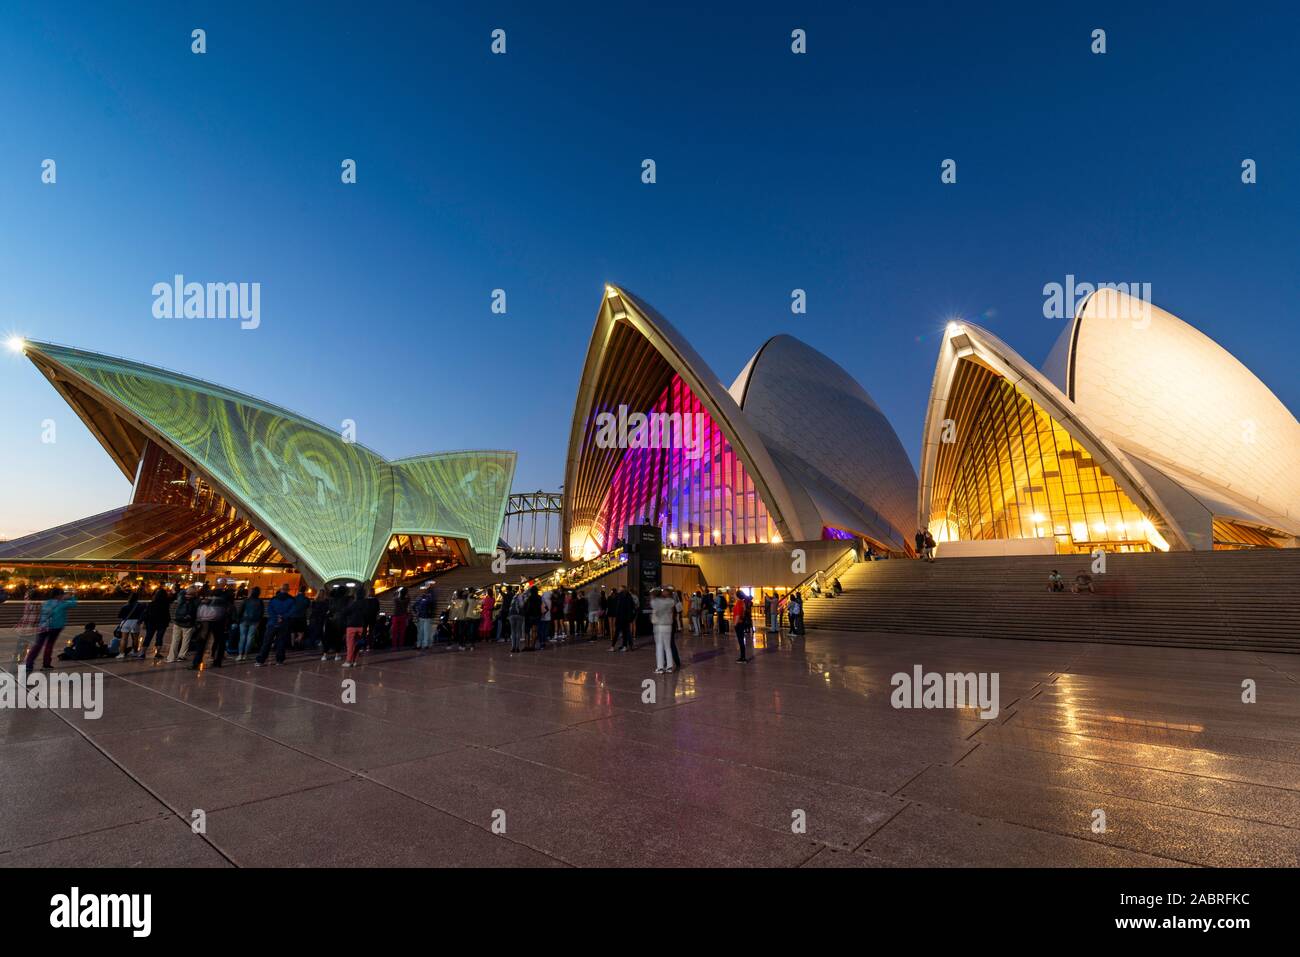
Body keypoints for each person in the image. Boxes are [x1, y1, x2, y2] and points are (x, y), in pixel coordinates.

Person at [25, 586, 77, 672]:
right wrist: (71, 596)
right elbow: (74, 604)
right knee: (49, 645)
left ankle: (29, 664)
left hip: (43, 626)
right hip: (55, 627)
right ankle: (46, 664)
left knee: (37, 645)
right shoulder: (62, 604)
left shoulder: (45, 603)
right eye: (62, 594)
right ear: (59, 595)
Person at [188, 584, 230, 669]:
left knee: (202, 643)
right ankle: (218, 661)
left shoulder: (206, 600)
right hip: (219, 623)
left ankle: (196, 662)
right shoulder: (224, 602)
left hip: (205, 623)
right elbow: (227, 613)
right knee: (220, 642)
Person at [257, 584, 295, 665]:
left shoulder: (274, 599)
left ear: (280, 589)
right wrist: (282, 617)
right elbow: (292, 612)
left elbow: (270, 610)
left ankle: (261, 660)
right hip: (284, 623)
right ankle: (279, 660)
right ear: (288, 590)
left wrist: (276, 617)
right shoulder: (291, 600)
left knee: (267, 641)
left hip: (272, 623)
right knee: (281, 642)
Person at [167, 584, 200, 662]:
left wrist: (186, 590)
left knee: (175, 640)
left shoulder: (181, 597)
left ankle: (171, 657)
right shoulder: (196, 600)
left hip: (178, 621)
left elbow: (180, 592)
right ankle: (181, 656)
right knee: (186, 641)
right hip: (188, 623)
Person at [138, 586, 172, 659]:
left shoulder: (151, 604)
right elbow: (167, 614)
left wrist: (141, 621)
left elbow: (146, 613)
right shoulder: (166, 605)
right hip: (162, 623)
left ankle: (143, 653)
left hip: (151, 623)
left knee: (148, 637)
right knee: (159, 638)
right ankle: (157, 654)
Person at [342, 583, 370, 667]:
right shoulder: (366, 603)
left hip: (351, 626)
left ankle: (348, 661)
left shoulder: (353, 603)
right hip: (361, 626)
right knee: (357, 645)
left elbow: (345, 612)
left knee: (350, 644)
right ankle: (354, 661)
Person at [649, 588, 676, 674]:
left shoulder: (656, 602)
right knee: (668, 647)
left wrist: (653, 595)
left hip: (659, 626)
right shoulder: (670, 602)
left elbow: (653, 603)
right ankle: (669, 667)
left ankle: (660, 668)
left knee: (659, 646)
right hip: (668, 625)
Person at [236, 586, 264, 661]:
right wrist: (259, 620)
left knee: (242, 637)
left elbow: (240, 610)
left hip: (244, 620)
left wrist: (238, 619)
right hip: (255, 621)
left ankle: (240, 655)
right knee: (250, 637)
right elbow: (262, 612)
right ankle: (245, 655)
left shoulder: (246, 600)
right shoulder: (260, 601)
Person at [116, 589, 145, 658]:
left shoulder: (125, 606)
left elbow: (119, 615)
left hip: (126, 622)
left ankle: (122, 653)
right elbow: (143, 614)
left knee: (124, 638)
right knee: (135, 638)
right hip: (136, 622)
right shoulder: (140, 605)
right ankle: (134, 652)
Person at [323, 584, 347, 661]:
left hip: (330, 620)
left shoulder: (331, 599)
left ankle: (324, 655)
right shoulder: (344, 600)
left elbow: (328, 609)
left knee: (327, 637)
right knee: (338, 638)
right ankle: (337, 655)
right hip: (339, 621)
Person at [414, 586, 438, 650]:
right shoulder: (425, 599)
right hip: (425, 617)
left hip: (424, 617)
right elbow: (414, 606)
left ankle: (422, 644)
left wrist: (417, 612)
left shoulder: (424, 599)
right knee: (423, 631)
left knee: (422, 631)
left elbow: (414, 606)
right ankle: (423, 644)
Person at [289, 585, 311, 650]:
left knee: (292, 632)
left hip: (293, 617)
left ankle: (292, 645)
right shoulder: (306, 599)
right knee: (301, 632)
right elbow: (307, 607)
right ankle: (298, 643)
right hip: (301, 617)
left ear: (299, 590)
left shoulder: (294, 598)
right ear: (305, 591)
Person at [391, 586, 411, 651]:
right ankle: (400, 645)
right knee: (402, 631)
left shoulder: (396, 600)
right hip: (403, 616)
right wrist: (406, 592)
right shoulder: (407, 600)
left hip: (396, 616)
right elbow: (408, 596)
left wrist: (397, 591)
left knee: (395, 631)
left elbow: (393, 594)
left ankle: (394, 645)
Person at [733, 589, 751, 663]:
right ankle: (743, 656)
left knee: (740, 640)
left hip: (739, 624)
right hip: (742, 622)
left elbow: (737, 615)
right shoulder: (742, 602)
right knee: (741, 640)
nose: (733, 595)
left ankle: (742, 658)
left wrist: (735, 624)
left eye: (735, 594)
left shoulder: (738, 603)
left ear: (737, 596)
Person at [508, 588, 526, 653]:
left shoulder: (514, 597)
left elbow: (510, 606)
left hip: (511, 614)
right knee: (518, 631)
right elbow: (523, 606)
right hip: (519, 615)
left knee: (513, 631)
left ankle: (513, 647)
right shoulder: (523, 597)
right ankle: (517, 647)